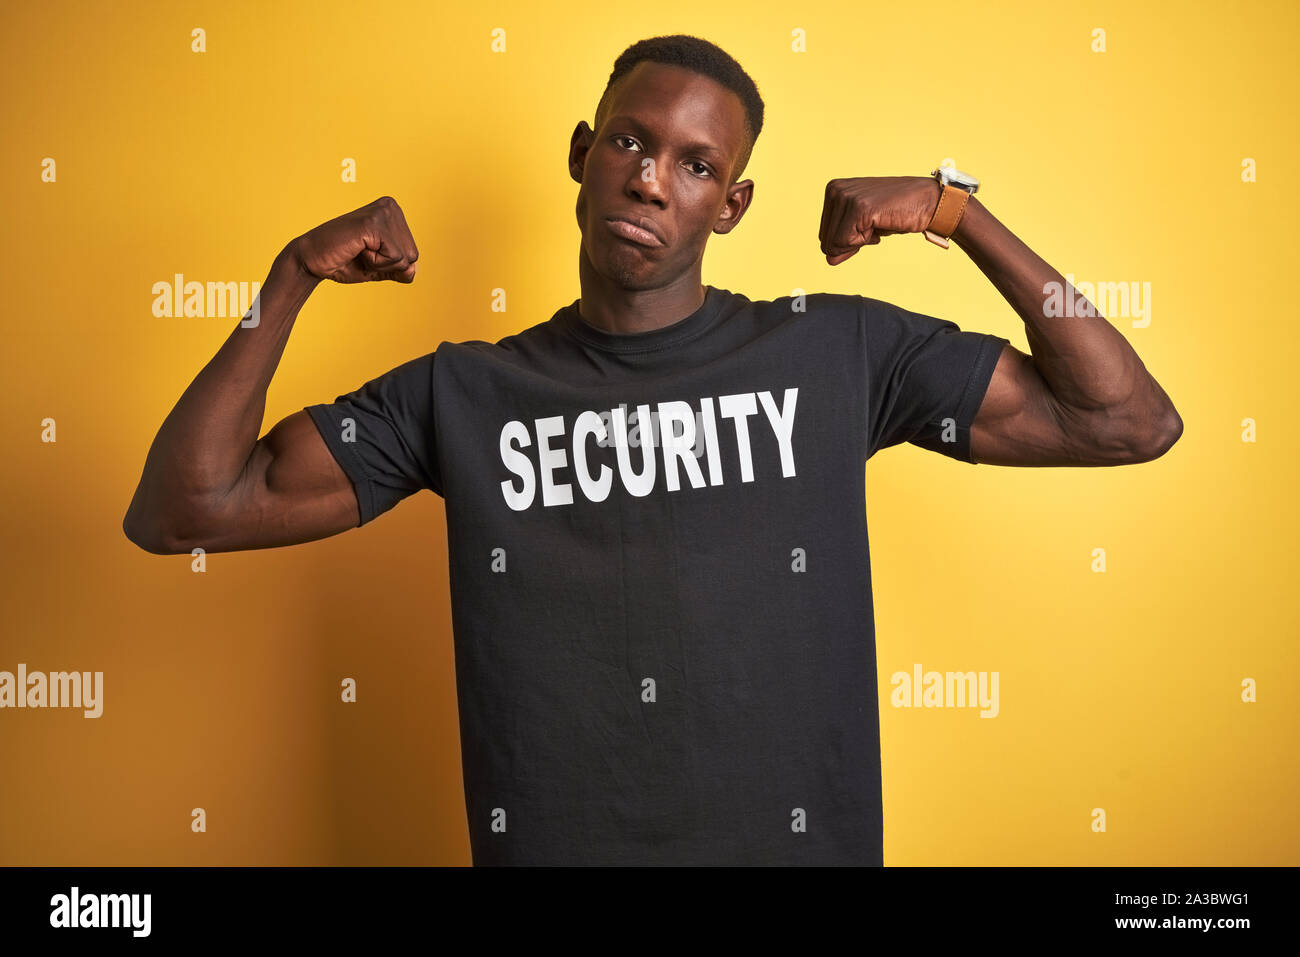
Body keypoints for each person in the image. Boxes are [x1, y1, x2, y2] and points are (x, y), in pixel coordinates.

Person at [123, 34, 1181, 865]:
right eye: (630, 143)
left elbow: (1125, 420)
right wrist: (290, 277)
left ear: (732, 205)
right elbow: (187, 509)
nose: (649, 181)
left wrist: (958, 213)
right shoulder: (466, 392)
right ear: (584, 153)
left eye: (696, 164)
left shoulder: (835, 351)